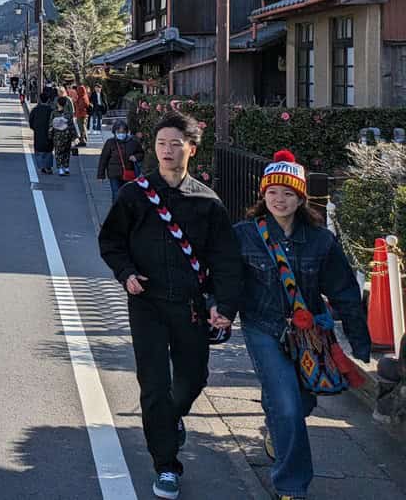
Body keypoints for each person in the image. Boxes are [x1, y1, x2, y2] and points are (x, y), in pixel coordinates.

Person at [98, 112, 243, 500]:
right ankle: (166, 464)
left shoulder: (208, 202)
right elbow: (111, 241)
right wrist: (125, 272)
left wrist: (224, 306)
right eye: (161, 143)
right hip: (147, 302)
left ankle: (169, 419)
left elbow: (226, 260)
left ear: (191, 149)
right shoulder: (135, 195)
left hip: (191, 305)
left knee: (193, 378)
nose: (167, 150)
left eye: (175, 143)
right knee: (154, 385)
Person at [234, 150, 370, 500]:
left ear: (300, 197)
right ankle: (292, 486)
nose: (279, 200)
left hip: (308, 334)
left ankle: (276, 427)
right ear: (263, 195)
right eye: (272, 192)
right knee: (288, 404)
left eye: (288, 193)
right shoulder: (244, 235)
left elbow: (344, 291)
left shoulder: (321, 240)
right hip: (261, 327)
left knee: (301, 401)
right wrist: (214, 312)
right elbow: (225, 279)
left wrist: (359, 342)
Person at [97, 121, 145, 202]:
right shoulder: (110, 142)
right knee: (116, 193)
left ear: (126, 132)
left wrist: (136, 157)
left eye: (123, 132)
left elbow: (141, 153)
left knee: (128, 194)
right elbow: (103, 159)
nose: (121, 134)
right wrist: (100, 175)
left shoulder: (133, 142)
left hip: (129, 172)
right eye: (118, 132)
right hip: (114, 173)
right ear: (114, 132)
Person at [48, 95, 76, 176]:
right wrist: (74, 137)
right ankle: (66, 167)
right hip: (67, 135)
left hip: (57, 135)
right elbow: (71, 125)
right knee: (66, 152)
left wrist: (50, 135)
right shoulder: (68, 114)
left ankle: (60, 168)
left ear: (58, 104)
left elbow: (51, 125)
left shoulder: (54, 113)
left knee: (58, 152)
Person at [28, 95, 54, 174]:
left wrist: (35, 128)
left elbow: (31, 122)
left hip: (38, 133)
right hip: (48, 132)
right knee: (48, 150)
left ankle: (42, 166)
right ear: (48, 100)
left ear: (40, 100)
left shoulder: (35, 110)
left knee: (39, 150)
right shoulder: (51, 110)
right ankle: (48, 167)